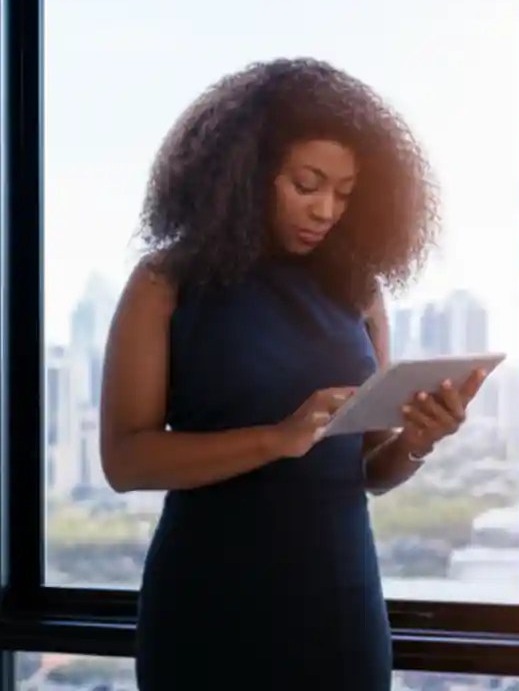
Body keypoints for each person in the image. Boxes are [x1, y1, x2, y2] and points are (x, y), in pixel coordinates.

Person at [99, 57, 489, 690]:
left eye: (344, 193)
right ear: (248, 174)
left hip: (340, 601)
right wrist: (276, 439)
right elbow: (126, 461)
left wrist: (418, 440)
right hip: (209, 603)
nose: (326, 210)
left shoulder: (359, 290)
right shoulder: (164, 282)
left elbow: (370, 471)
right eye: (307, 185)